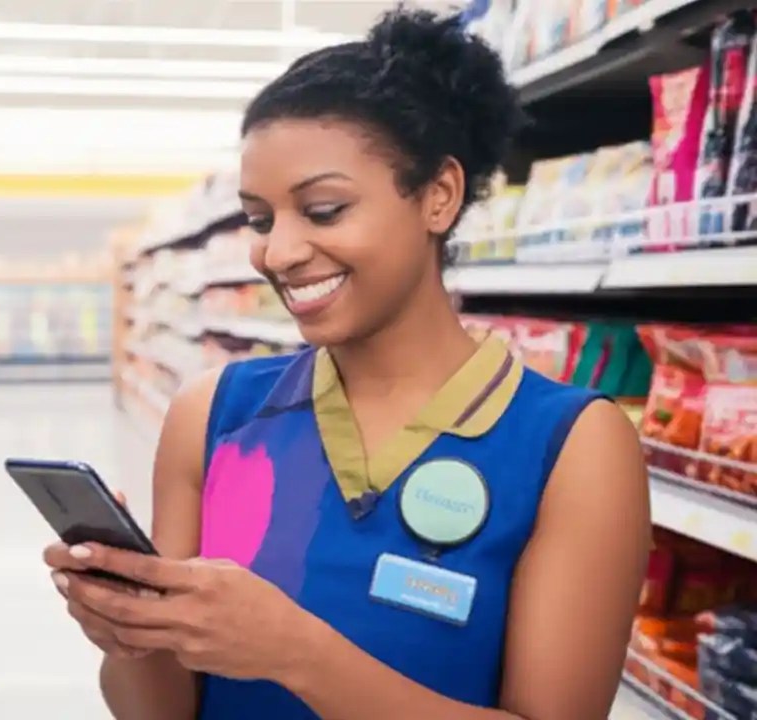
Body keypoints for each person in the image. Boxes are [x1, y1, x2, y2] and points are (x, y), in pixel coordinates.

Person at [44, 8, 650, 720]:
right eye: (260, 219)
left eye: (324, 210)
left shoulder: (572, 447)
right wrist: (132, 635)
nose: (278, 252)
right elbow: (161, 712)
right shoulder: (215, 417)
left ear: (439, 196)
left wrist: (295, 652)